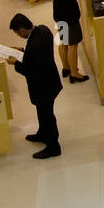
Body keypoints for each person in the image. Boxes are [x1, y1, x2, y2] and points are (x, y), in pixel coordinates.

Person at [8, 13, 64, 157]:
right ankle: (42, 133)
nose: (20, 36)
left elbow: (29, 69)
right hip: (51, 80)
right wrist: (23, 51)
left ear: (21, 29)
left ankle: (53, 146)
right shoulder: (43, 30)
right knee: (42, 112)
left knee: (47, 115)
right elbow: (36, 55)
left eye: (18, 33)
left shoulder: (34, 45)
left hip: (43, 86)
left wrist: (15, 62)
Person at [43, 0, 90, 83]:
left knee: (63, 41)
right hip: (69, 16)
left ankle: (66, 68)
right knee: (73, 44)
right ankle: (75, 73)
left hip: (59, 15)